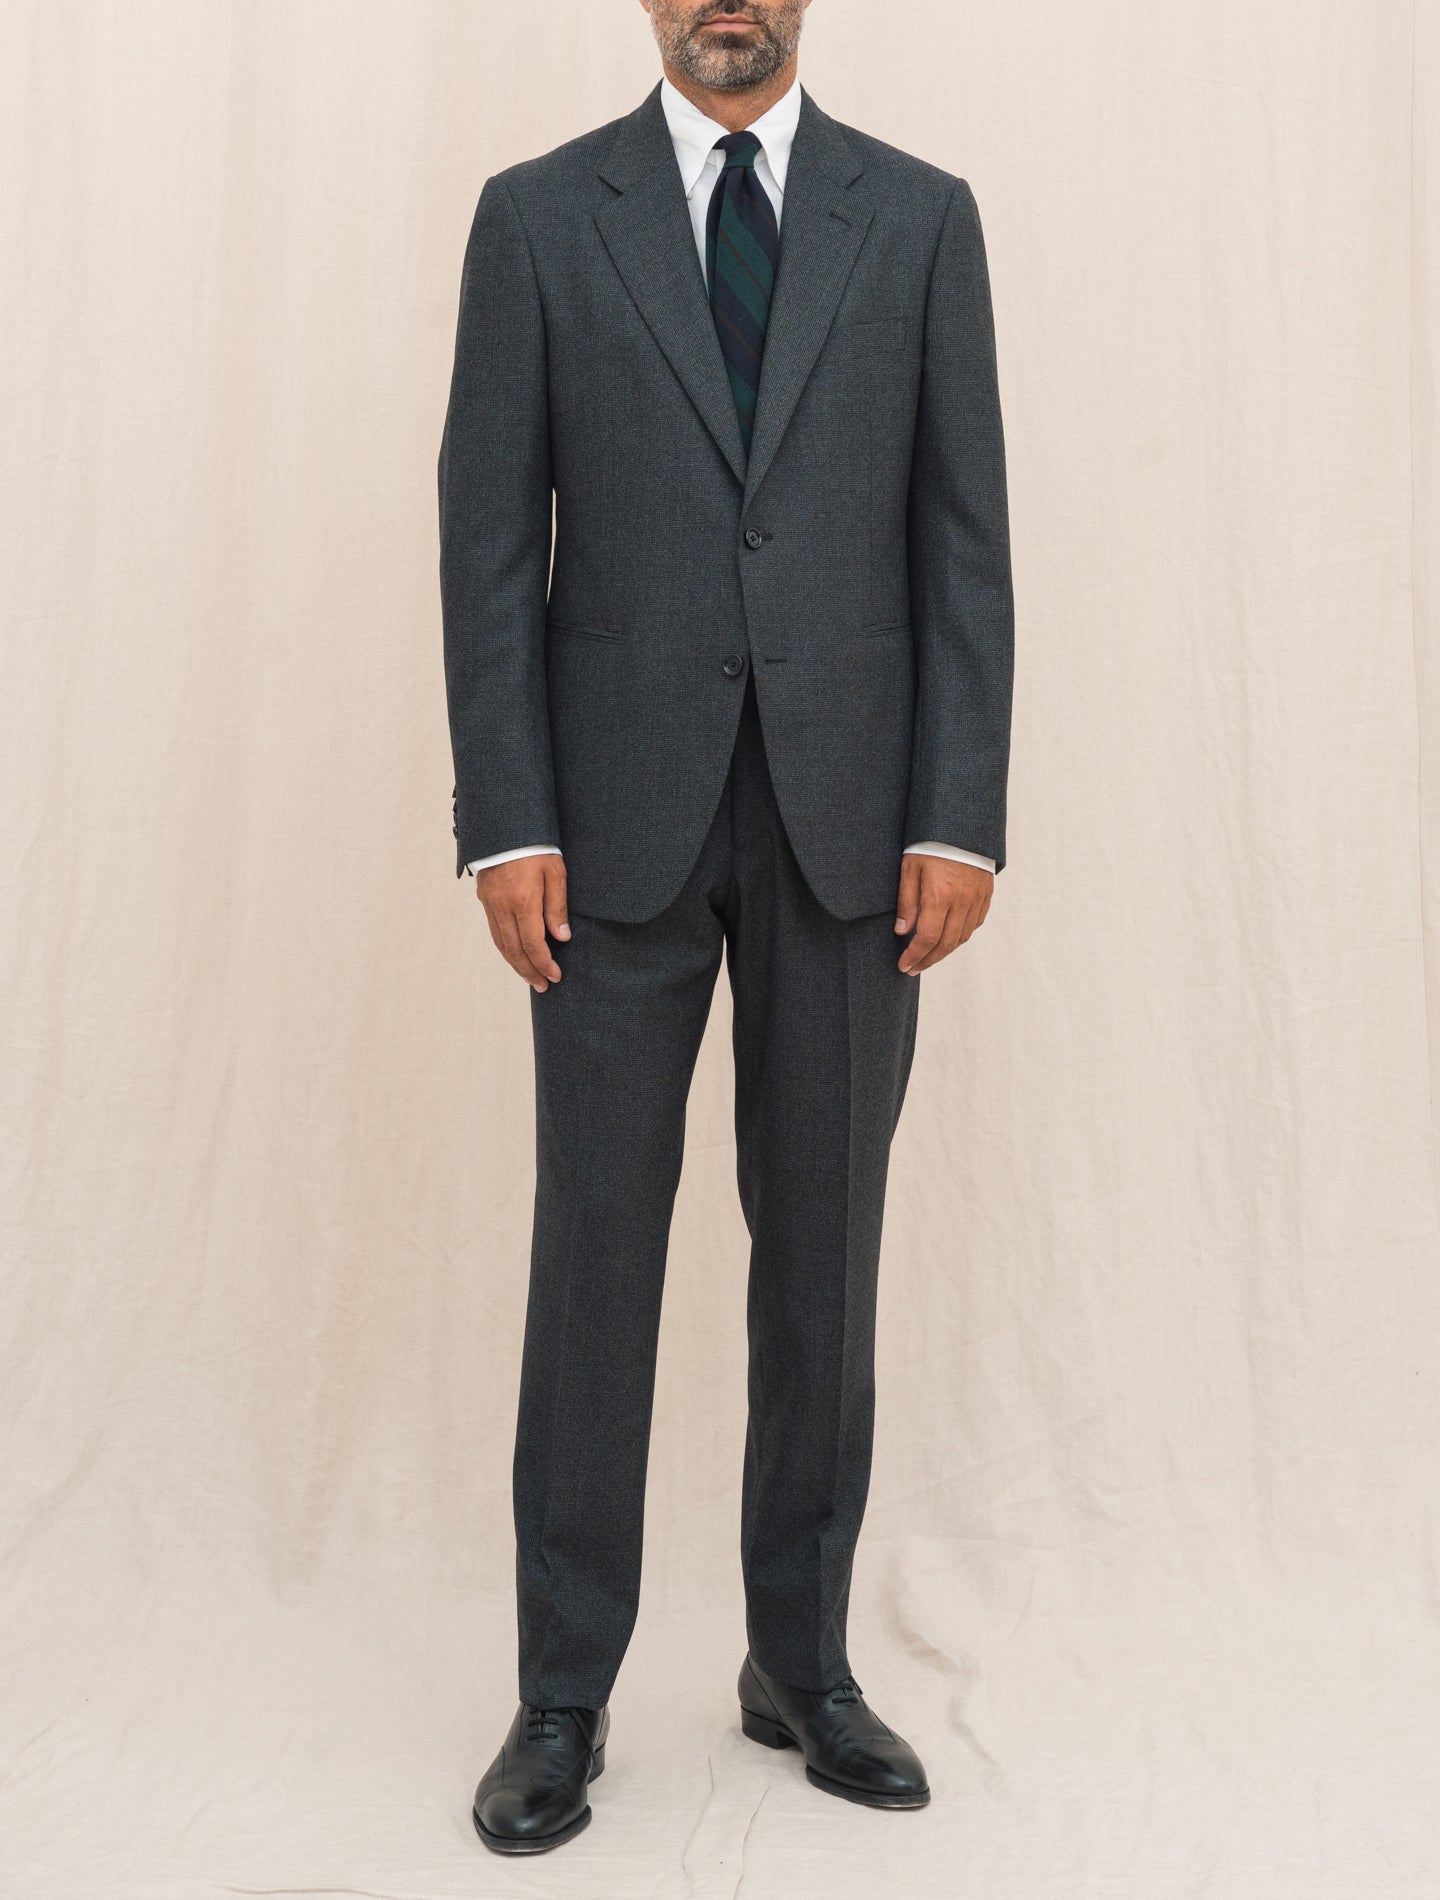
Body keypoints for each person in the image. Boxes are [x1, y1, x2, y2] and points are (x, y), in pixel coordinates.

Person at [437, 0, 1013, 1855]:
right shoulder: (540, 217)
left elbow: (963, 539)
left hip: (854, 829)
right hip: (607, 829)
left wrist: (957, 812)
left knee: (825, 1253)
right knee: (596, 1252)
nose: (725, 5)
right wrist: (508, 818)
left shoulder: (918, 219)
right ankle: (560, 1692)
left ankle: (801, 1662)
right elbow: (486, 541)